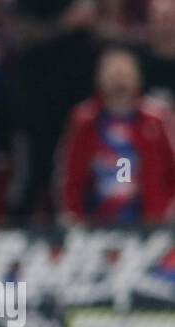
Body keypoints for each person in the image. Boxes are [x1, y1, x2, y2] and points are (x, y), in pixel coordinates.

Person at [60, 46, 175, 225]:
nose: (119, 82)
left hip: (150, 223)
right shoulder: (84, 120)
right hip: (95, 224)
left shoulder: (157, 118)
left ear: (138, 78)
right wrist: (73, 215)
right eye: (113, 75)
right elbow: (70, 174)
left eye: (125, 75)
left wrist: (167, 215)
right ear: (100, 79)